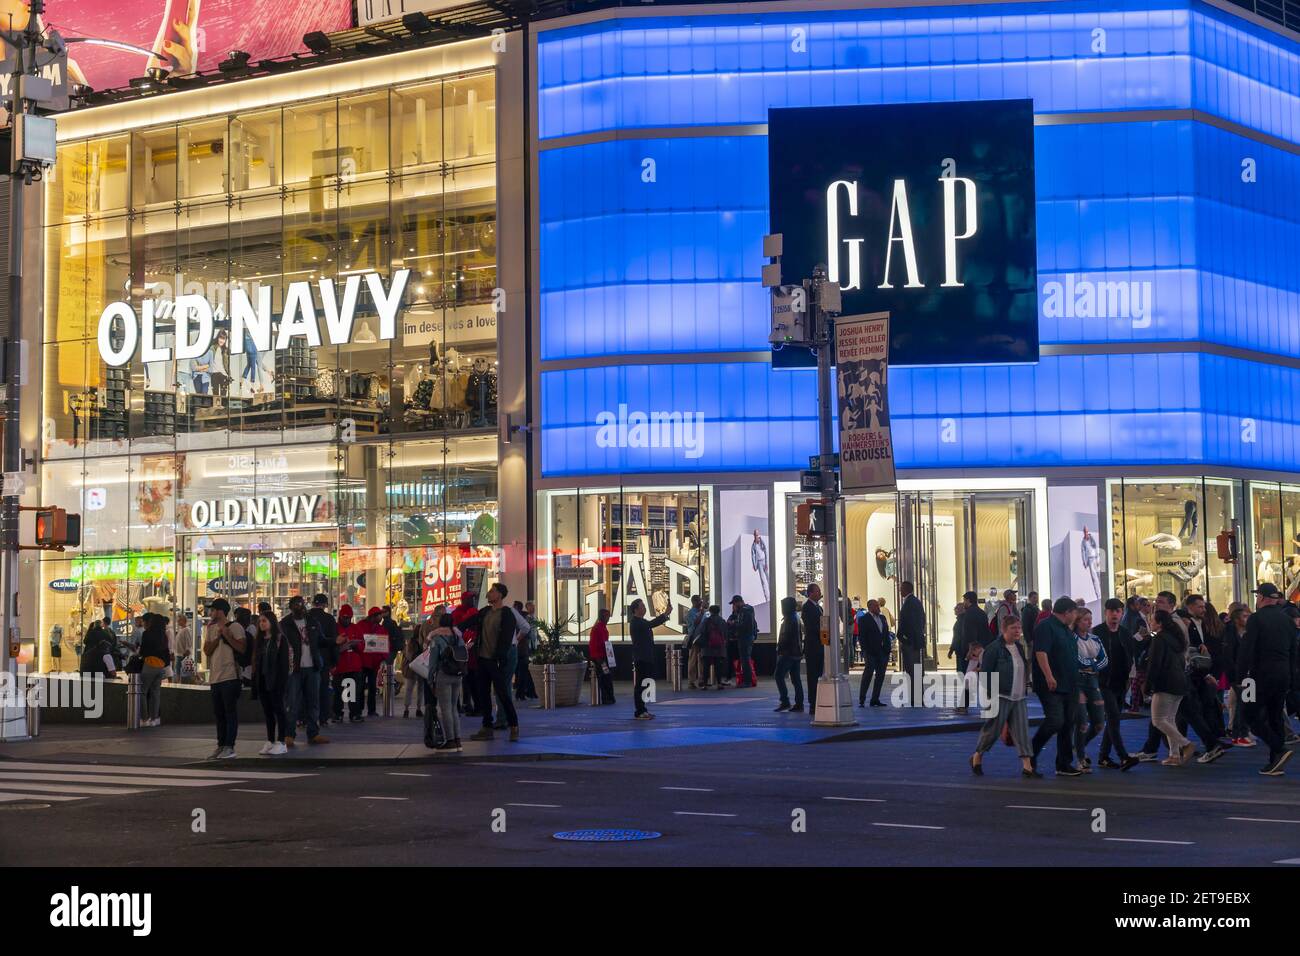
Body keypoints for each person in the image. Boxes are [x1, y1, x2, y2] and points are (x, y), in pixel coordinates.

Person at [1239, 582, 1297, 775]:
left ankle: (1279, 749)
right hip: (1282, 674)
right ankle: (1275, 761)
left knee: (1249, 714)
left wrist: (1240, 677)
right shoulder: (1287, 620)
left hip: (1257, 676)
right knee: (1275, 716)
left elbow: (1247, 649)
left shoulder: (1256, 619)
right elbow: (1293, 652)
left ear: (1262, 598)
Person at [970, 616, 1035, 777]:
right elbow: (986, 674)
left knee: (1022, 731)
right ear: (1004, 630)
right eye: (1013, 628)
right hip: (1000, 695)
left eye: (1019, 628)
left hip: (1019, 696)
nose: (1018, 631)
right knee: (993, 729)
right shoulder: (993, 649)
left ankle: (1028, 767)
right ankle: (977, 756)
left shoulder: (1019, 647)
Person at [1030, 597, 1083, 777]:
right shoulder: (1046, 626)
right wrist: (1049, 675)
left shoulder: (1066, 630)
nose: (1076, 616)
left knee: (1068, 723)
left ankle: (1064, 763)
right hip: (1051, 684)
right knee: (1055, 720)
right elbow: (1041, 652)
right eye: (1075, 612)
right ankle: (1031, 753)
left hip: (1070, 683)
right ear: (1067, 612)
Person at [465, 583, 521, 742]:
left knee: (502, 693)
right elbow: (468, 622)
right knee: (483, 694)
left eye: (492, 591)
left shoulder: (507, 614)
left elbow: (506, 638)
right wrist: (450, 628)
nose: (489, 594)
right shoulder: (485, 612)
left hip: (496, 660)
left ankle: (514, 725)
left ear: (500, 595)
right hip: (482, 659)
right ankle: (486, 727)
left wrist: (500, 658)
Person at [1145, 608, 1196, 766]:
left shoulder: (1159, 639)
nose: (1150, 623)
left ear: (1159, 624)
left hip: (1165, 684)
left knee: (1158, 720)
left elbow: (1154, 664)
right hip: (1179, 682)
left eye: (1152, 621)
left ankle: (1185, 744)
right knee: (1169, 719)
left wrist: (1148, 684)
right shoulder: (1176, 639)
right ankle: (1174, 755)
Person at [1094, 599, 1139, 770]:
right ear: (1106, 612)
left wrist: (1130, 677)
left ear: (1121, 613)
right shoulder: (1097, 633)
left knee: (1115, 720)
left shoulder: (1125, 633)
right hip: (1103, 683)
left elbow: (1130, 656)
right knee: (1113, 717)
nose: (1114, 614)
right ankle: (1123, 756)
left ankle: (1104, 756)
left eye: (1118, 611)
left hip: (1121, 682)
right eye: (1111, 611)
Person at [280, 595, 329, 746]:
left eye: (301, 606)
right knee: (292, 703)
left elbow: (321, 640)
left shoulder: (312, 621)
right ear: (291, 608)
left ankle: (313, 734)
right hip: (295, 668)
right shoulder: (285, 624)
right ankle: (289, 735)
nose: (300, 609)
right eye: (296, 606)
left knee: (313, 702)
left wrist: (335, 641)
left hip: (312, 667)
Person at [201, 598, 245, 760]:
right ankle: (221, 745)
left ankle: (229, 746)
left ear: (220, 611)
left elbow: (241, 648)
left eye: (212, 610)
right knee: (219, 713)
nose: (210, 613)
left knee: (230, 712)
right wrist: (218, 638)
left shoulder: (235, 627)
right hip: (215, 677)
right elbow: (207, 650)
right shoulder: (211, 628)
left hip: (230, 676)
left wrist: (227, 635)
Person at [250, 610, 291, 756]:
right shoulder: (260, 641)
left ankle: (281, 741)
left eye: (264, 621)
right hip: (262, 680)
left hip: (276, 681)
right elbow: (256, 661)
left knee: (279, 710)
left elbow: (284, 665)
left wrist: (281, 683)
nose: (261, 624)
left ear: (272, 622)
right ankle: (270, 740)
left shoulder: (280, 640)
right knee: (268, 712)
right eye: (260, 621)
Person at [1071, 607, 1107, 771]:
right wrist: (1093, 664)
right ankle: (1080, 756)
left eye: (1090, 619)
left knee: (1099, 723)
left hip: (1092, 681)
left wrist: (1093, 667)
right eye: (1085, 619)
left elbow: (1104, 659)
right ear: (1077, 621)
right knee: (1082, 722)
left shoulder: (1095, 639)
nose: (1089, 622)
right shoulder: (1072, 638)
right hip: (1077, 681)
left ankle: (1078, 746)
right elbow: (1076, 660)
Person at [428, 613, 465, 752]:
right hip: (457, 674)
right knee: (454, 707)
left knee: (445, 709)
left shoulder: (436, 639)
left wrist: (430, 678)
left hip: (443, 675)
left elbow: (432, 662)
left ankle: (450, 741)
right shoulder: (457, 637)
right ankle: (458, 740)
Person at [629, 598, 671, 719]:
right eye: (642, 606)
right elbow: (651, 624)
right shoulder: (637, 622)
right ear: (636, 609)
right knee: (641, 685)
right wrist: (666, 614)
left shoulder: (641, 621)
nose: (645, 608)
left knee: (644, 684)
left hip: (646, 657)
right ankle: (640, 710)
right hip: (641, 658)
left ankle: (643, 709)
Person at [1223, 603, 1254, 745]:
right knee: (1245, 703)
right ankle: (1241, 734)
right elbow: (1229, 657)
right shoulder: (1230, 634)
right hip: (1239, 674)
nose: (1247, 618)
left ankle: (1238, 733)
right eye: (1245, 616)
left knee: (1244, 703)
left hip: (1247, 673)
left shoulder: (1247, 633)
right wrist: (1236, 675)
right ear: (1237, 619)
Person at [309, 594, 339, 725]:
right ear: (325, 605)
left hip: (307, 658)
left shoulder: (306, 617)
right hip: (324, 659)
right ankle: (323, 717)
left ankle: (306, 717)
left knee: (307, 689)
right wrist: (334, 661)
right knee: (323, 688)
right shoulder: (329, 619)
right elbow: (334, 641)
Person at [137, 614, 171, 727]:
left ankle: (144, 718)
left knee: (142, 691)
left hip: (149, 664)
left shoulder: (147, 633)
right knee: (156, 693)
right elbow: (166, 651)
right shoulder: (163, 635)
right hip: (160, 666)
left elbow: (143, 650)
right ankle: (154, 719)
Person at [333, 604, 365, 723]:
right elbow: (331, 646)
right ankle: (337, 714)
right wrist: (341, 647)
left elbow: (363, 645)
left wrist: (356, 646)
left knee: (353, 693)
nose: (347, 620)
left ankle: (354, 713)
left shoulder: (356, 628)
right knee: (338, 692)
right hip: (340, 666)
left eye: (349, 618)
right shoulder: (335, 628)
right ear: (340, 617)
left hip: (354, 666)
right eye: (344, 617)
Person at [452, 592, 482, 717]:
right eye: (471, 598)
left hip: (469, 658)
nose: (473, 600)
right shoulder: (459, 614)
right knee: (467, 682)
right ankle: (465, 705)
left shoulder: (469, 614)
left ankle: (467, 705)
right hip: (465, 657)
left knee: (469, 682)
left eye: (474, 598)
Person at [357, 607, 388, 718]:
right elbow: (357, 641)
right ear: (373, 616)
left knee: (372, 687)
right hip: (362, 661)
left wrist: (383, 657)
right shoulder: (361, 625)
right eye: (379, 615)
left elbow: (385, 643)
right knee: (360, 687)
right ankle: (358, 710)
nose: (381, 617)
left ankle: (371, 710)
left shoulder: (381, 628)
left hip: (374, 663)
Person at [774, 596, 804, 712]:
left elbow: (786, 637)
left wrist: (780, 650)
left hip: (788, 653)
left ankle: (785, 701)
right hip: (795, 652)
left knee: (778, 675)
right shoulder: (795, 617)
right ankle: (799, 703)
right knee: (796, 679)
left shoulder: (789, 619)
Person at [897, 581, 925, 706]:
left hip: (911, 643)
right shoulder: (915, 602)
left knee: (913, 670)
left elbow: (910, 623)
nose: (899, 590)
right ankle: (915, 698)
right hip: (913, 641)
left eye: (901, 588)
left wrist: (905, 638)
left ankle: (916, 699)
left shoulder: (910, 603)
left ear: (907, 589)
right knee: (913, 670)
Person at [857, 599, 889, 707]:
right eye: (876, 606)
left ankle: (875, 699)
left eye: (878, 606)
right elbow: (862, 637)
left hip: (882, 651)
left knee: (880, 676)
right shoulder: (864, 620)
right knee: (868, 675)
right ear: (870, 607)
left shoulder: (882, 618)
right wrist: (865, 649)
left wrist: (887, 649)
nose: (878, 608)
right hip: (870, 652)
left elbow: (886, 634)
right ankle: (862, 698)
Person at [802, 584, 825, 709]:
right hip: (813, 646)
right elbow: (811, 626)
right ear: (810, 593)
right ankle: (812, 702)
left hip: (820, 645)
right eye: (817, 591)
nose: (819, 593)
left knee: (818, 674)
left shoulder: (818, 607)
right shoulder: (807, 607)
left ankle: (817, 699)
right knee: (812, 675)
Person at [727, 594, 757, 688]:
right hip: (748, 637)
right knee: (745, 659)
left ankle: (747, 682)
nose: (734, 606)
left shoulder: (744, 611)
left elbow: (743, 625)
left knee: (745, 659)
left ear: (738, 602)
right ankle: (748, 680)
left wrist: (733, 624)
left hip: (745, 637)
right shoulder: (748, 609)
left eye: (734, 604)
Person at [588, 608, 617, 705]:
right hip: (601, 658)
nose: (608, 618)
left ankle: (607, 697)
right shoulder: (600, 628)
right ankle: (607, 698)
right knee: (605, 676)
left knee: (605, 676)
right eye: (607, 616)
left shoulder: (599, 627)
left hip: (600, 657)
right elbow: (601, 644)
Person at [403, 621, 430, 718]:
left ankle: (411, 709)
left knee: (413, 689)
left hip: (415, 667)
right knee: (416, 689)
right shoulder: (415, 642)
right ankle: (410, 709)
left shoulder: (417, 642)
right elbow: (409, 655)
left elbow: (409, 655)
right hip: (416, 667)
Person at [516, 600, 539, 700]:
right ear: (527, 607)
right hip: (526, 648)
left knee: (528, 671)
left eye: (533, 606)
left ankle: (528, 691)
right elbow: (525, 633)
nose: (533, 608)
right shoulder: (525, 619)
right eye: (530, 606)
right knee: (524, 670)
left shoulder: (534, 618)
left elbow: (535, 632)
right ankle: (523, 692)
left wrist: (539, 640)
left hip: (532, 647)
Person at [701, 605, 729, 689]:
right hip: (719, 647)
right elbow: (725, 634)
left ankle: (705, 684)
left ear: (710, 611)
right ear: (718, 611)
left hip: (707, 646)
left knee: (706, 666)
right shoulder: (722, 621)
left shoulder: (706, 621)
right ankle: (719, 684)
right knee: (718, 666)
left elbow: (702, 632)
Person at [684, 595, 704, 688]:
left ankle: (701, 679)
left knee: (701, 659)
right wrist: (702, 611)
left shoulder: (702, 612)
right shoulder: (691, 613)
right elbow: (696, 622)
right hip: (694, 638)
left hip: (702, 638)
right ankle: (691, 681)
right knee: (693, 660)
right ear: (695, 602)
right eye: (700, 601)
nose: (701, 602)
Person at [172, 612, 193, 683]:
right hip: (179, 654)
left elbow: (188, 642)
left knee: (183, 674)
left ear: (184, 620)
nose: (178, 621)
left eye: (179, 620)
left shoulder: (186, 630)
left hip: (182, 655)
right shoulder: (181, 630)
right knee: (178, 672)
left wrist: (186, 653)